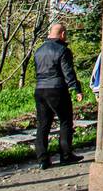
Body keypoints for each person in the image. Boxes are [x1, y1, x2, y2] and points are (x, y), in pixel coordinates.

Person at [33, 22, 84, 170]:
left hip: (40, 89)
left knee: (43, 124)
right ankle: (66, 155)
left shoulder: (39, 50)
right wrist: (76, 88)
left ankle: (42, 159)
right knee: (65, 121)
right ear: (62, 34)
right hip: (57, 89)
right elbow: (67, 72)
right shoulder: (62, 50)